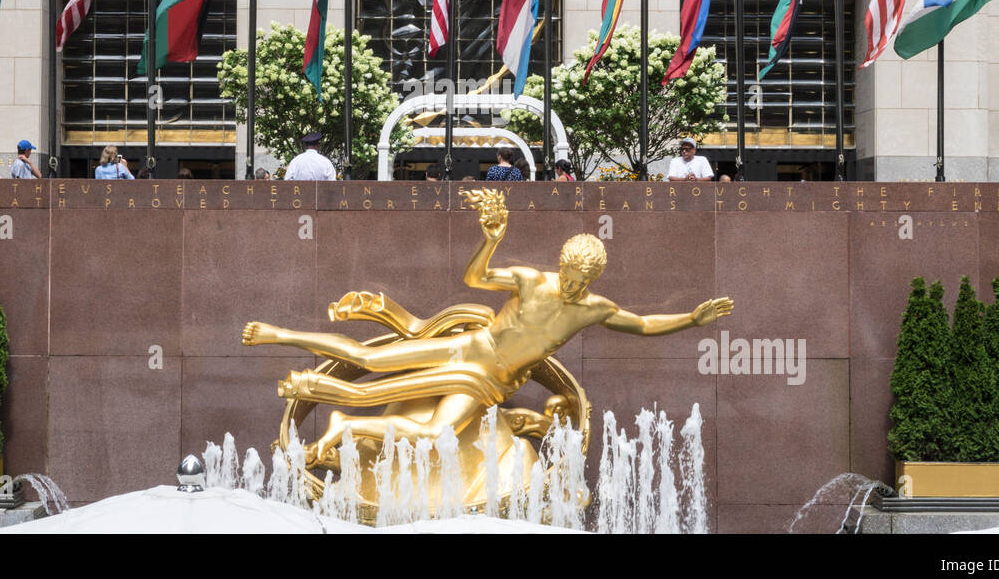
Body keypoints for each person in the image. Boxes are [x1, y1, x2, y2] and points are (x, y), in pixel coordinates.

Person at [244, 188, 733, 466]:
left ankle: (344, 426)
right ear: (559, 265)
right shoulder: (529, 280)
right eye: (566, 274)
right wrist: (490, 240)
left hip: (488, 382)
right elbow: (474, 278)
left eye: (579, 281)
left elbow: (644, 324)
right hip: (466, 348)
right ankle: (279, 334)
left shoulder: (594, 308)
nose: (568, 285)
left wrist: (692, 318)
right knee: (369, 360)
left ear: (592, 280)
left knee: (436, 432)